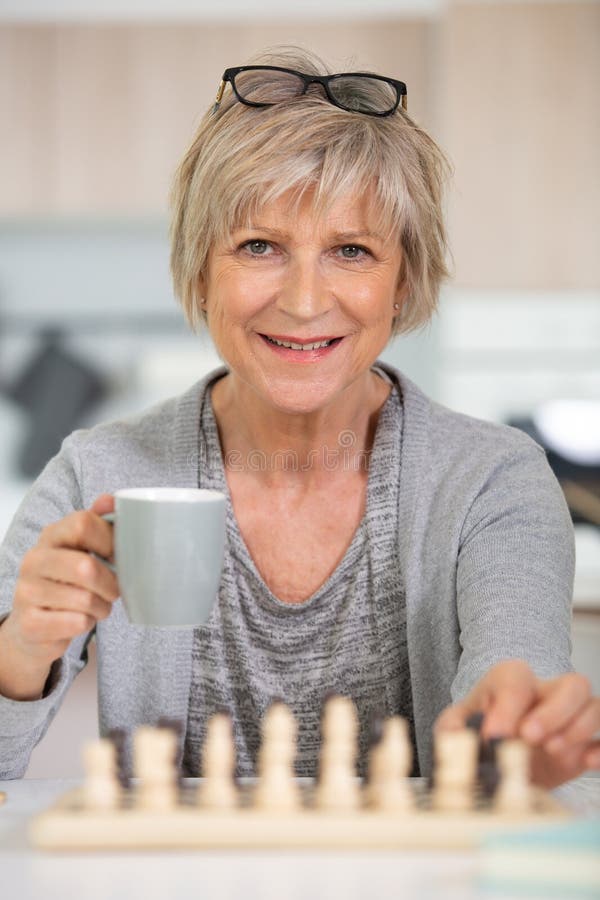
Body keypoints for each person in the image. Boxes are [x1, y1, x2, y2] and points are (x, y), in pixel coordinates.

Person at [0, 47, 598, 786]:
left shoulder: (491, 481)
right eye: (259, 246)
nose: (305, 301)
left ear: (402, 282)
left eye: (351, 250)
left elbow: (514, 682)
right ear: (200, 270)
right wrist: (21, 650)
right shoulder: (97, 473)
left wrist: (513, 728)